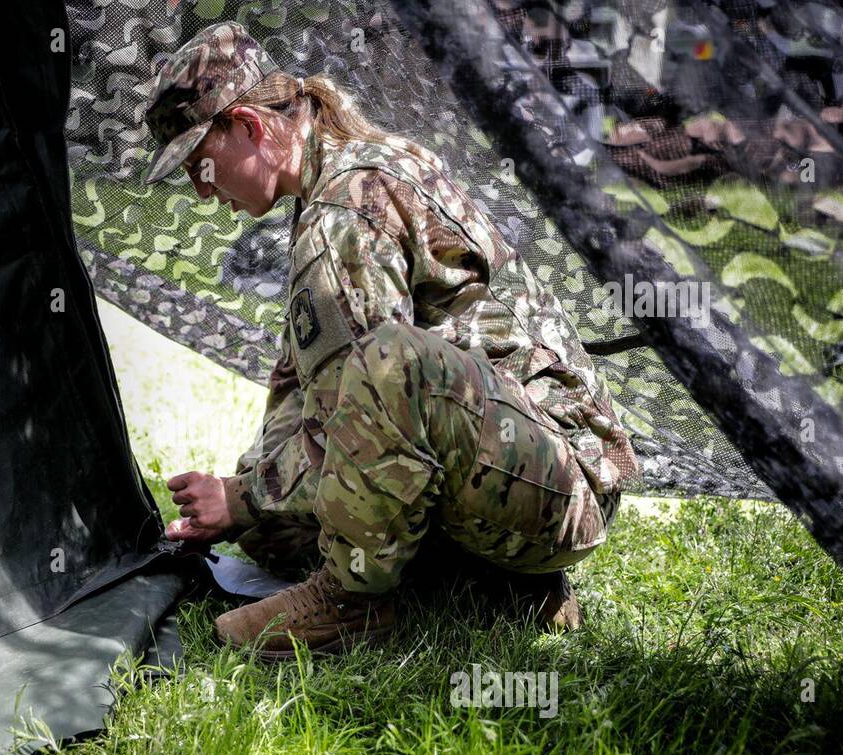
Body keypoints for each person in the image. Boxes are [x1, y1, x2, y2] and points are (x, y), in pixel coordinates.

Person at [141, 21, 640, 660]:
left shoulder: (345, 207)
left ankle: (350, 605)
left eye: (200, 165)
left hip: (560, 487)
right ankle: (505, 588)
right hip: (524, 470)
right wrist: (251, 495)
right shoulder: (345, 177)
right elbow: (308, 392)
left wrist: (242, 496)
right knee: (270, 529)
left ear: (248, 126)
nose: (204, 190)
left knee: (387, 364)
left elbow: (366, 399)